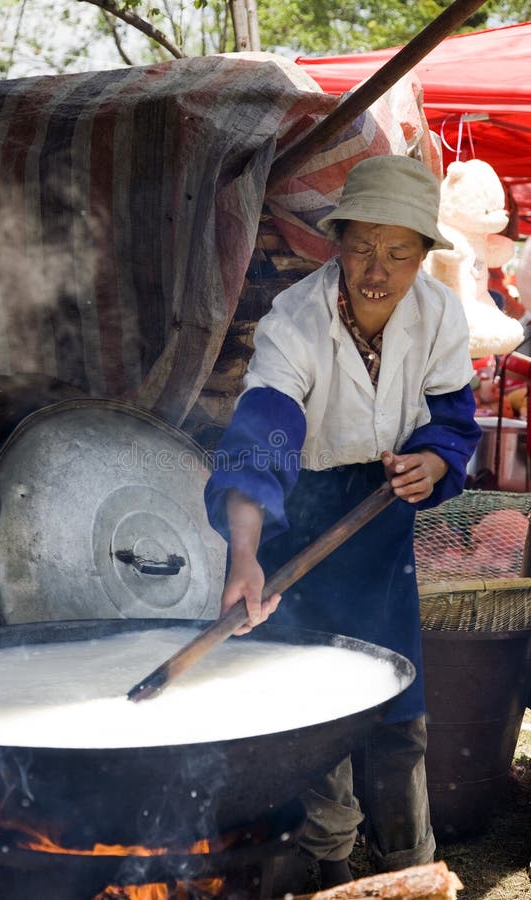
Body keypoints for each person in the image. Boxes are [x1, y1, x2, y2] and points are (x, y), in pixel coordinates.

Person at [203, 155, 482, 892]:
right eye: (361, 246)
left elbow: (452, 421)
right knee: (313, 709)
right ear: (337, 243)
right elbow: (264, 435)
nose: (377, 269)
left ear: (424, 255)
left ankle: (411, 868)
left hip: (383, 520)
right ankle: (328, 867)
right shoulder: (297, 321)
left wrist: (432, 463)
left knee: (398, 716)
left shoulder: (439, 315)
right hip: (302, 521)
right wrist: (246, 554)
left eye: (398, 251)